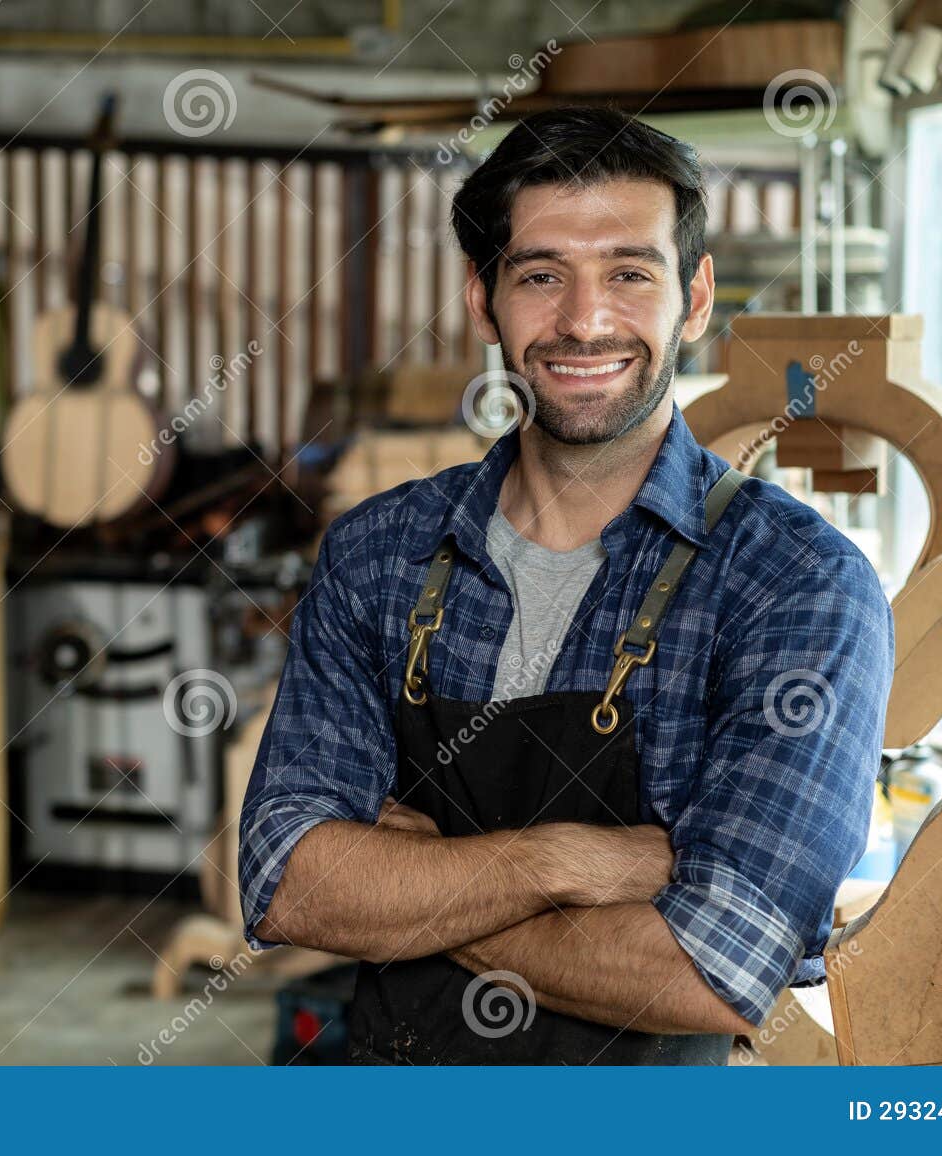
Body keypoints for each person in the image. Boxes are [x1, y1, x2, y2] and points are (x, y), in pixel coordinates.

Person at [238, 105, 893, 1065]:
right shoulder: (378, 552)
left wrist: (413, 883)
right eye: (540, 276)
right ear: (482, 299)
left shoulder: (794, 585)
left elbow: (710, 970)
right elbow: (288, 883)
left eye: (630, 273)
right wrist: (570, 862)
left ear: (696, 297)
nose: (584, 321)